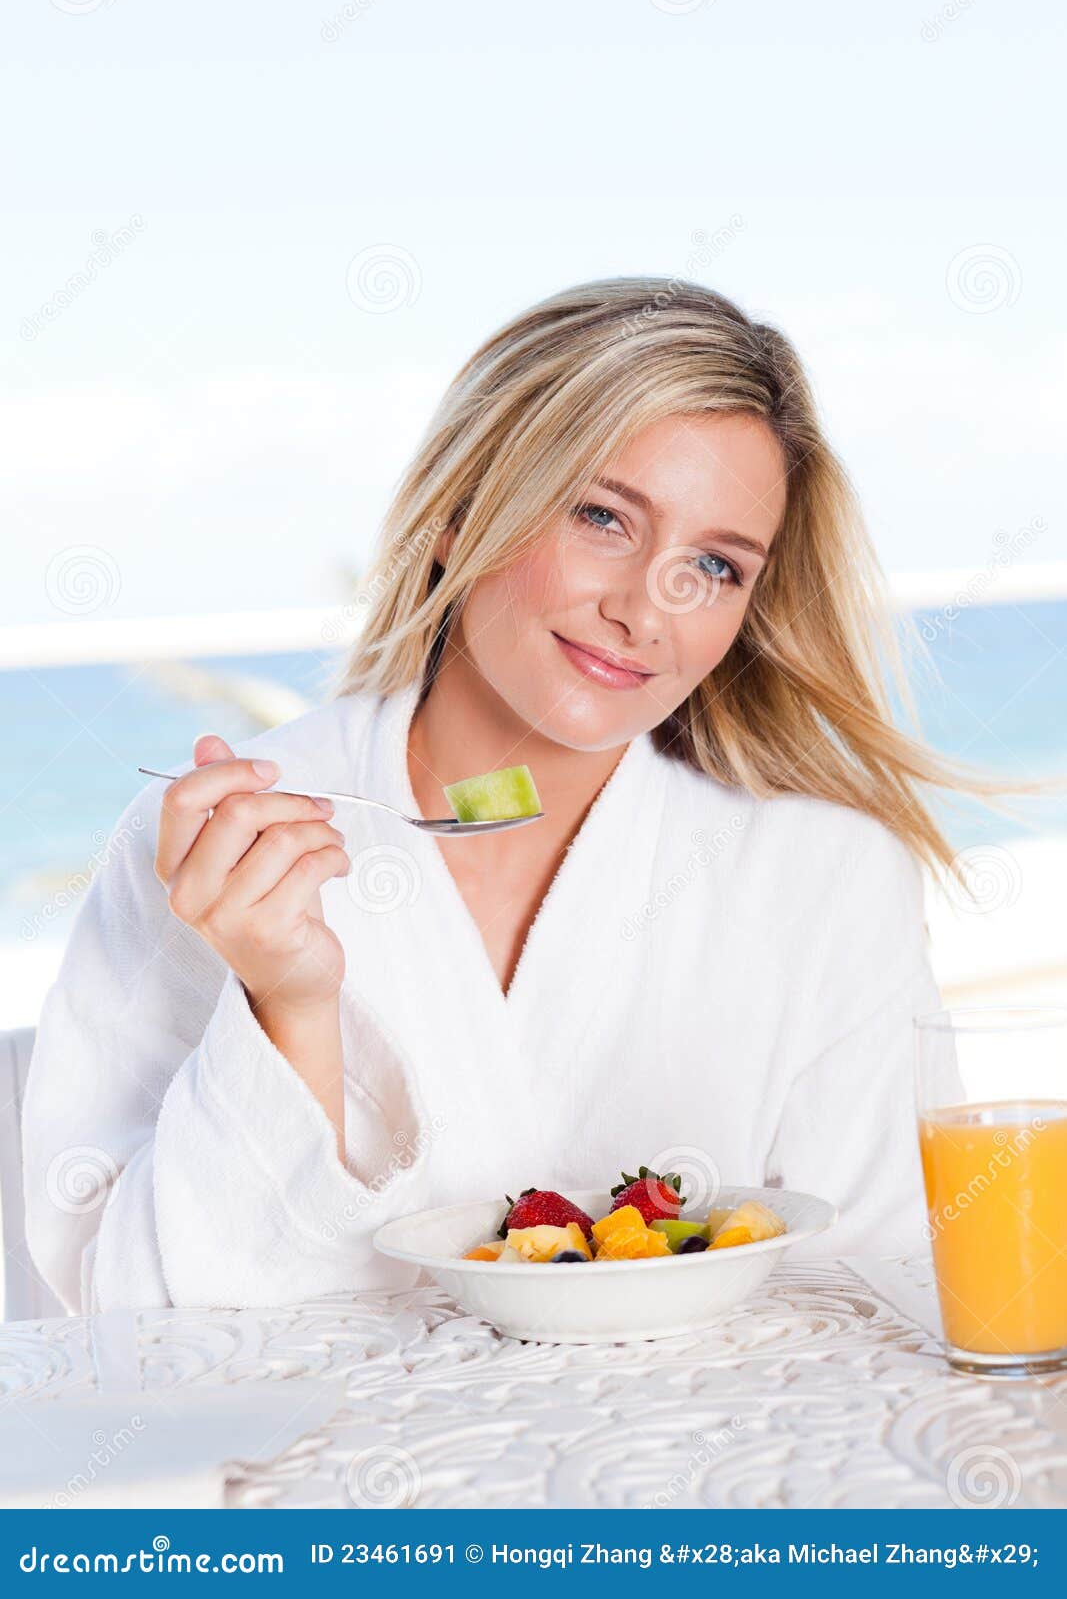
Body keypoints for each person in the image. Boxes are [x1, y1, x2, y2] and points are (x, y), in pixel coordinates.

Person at [24, 278, 997, 1313]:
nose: (643, 610)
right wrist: (288, 1007)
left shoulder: (823, 877)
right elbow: (141, 1333)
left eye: (712, 565)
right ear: (455, 511)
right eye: (600, 516)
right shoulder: (217, 857)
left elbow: (886, 1296)